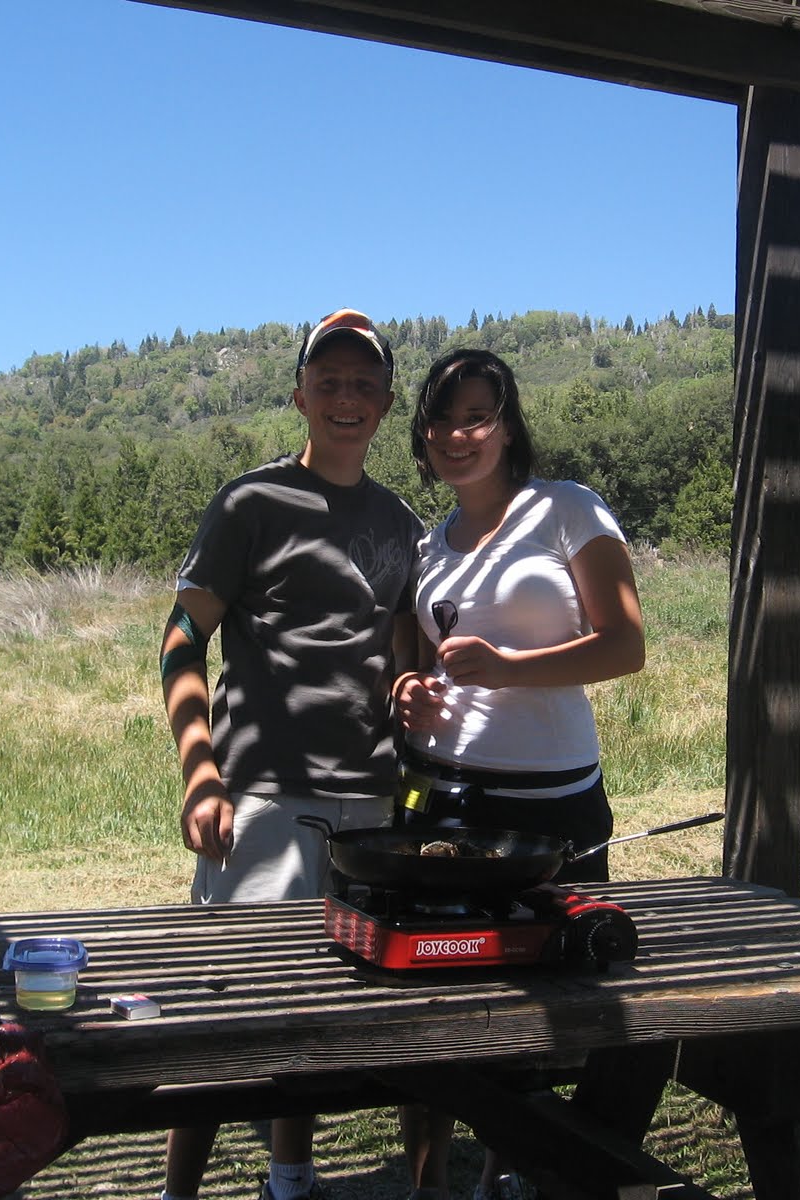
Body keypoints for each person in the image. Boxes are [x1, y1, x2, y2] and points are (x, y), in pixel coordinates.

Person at [159, 309, 424, 1200]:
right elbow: (181, 639)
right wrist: (202, 774)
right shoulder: (249, 504)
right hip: (264, 798)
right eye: (329, 381)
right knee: (223, 1013)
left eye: (363, 384)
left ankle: (289, 1177)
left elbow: (401, 649)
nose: (345, 399)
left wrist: (413, 689)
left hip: (370, 806)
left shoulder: (403, 525)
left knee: (321, 1013)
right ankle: (180, 1191)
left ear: (385, 404)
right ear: (299, 394)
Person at [392, 348, 645, 1200]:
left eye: (477, 416)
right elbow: (435, 665)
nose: (457, 433)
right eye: (441, 418)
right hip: (448, 796)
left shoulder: (567, 509)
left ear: (507, 427)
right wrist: (411, 692)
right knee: (440, 1005)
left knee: (553, 1006)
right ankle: (431, 1186)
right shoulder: (434, 545)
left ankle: (515, 1175)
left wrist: (509, 667)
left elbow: (626, 645)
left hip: (553, 805)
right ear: (422, 436)